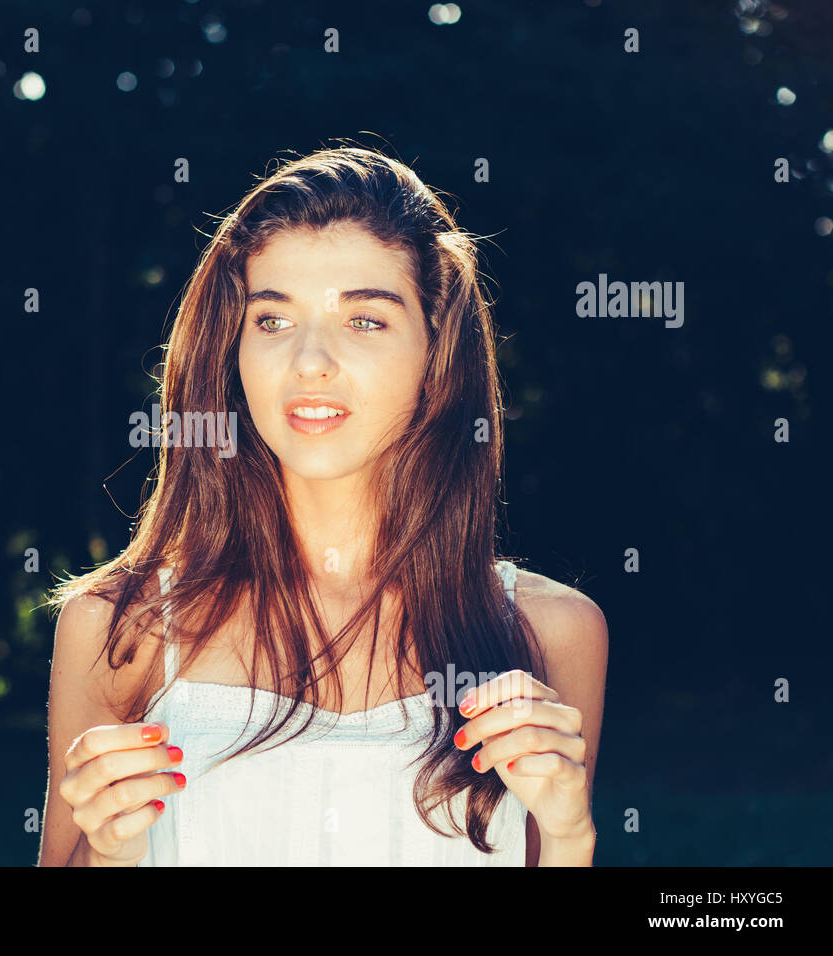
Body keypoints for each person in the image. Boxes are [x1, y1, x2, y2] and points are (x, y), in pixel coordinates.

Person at [37, 145, 607, 867]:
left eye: (364, 320)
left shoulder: (552, 631)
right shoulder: (120, 628)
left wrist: (569, 837)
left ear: (437, 357)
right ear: (232, 353)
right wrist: (112, 857)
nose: (309, 360)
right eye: (272, 321)